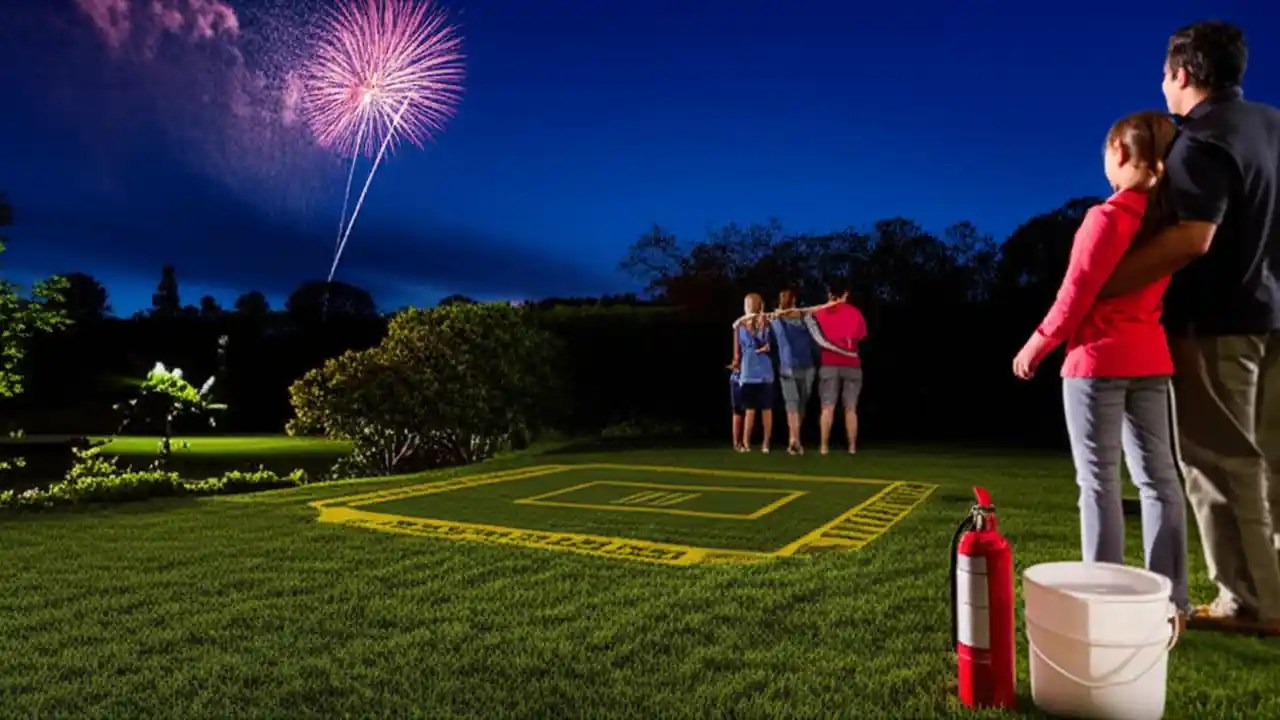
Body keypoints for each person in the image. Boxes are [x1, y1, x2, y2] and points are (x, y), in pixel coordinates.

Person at [1097, 21, 1280, 633]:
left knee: (1222, 464)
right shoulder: (1270, 124)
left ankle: (1252, 602)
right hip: (1273, 316)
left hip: (1219, 325)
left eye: (1165, 74)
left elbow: (1193, 238)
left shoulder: (1198, 140)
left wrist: (1104, 282)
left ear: (1181, 74)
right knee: (1270, 462)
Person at [1012, 111, 1190, 618]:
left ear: (1119, 154)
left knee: (1099, 482)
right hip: (1151, 360)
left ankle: (1107, 599)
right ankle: (1172, 599)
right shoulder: (1169, 224)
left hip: (1095, 364)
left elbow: (1074, 297)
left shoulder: (1106, 218)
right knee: (1159, 480)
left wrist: (1035, 345)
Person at [805, 279, 867, 455]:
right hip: (852, 365)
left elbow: (810, 321)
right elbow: (860, 338)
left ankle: (824, 446)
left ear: (829, 293)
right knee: (851, 408)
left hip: (829, 364)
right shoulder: (856, 313)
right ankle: (852, 447)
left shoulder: (821, 313)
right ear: (846, 294)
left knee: (827, 407)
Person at [770, 289, 818, 454]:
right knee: (793, 403)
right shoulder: (777, 320)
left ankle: (795, 438)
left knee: (799, 405)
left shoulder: (805, 319)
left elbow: (814, 337)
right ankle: (794, 440)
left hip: (806, 366)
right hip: (788, 366)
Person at [736, 293, 775, 453]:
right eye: (747, 303)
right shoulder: (740, 325)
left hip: (765, 372)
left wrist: (762, 324)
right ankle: (746, 443)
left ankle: (766, 443)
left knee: (766, 409)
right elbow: (746, 345)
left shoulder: (765, 324)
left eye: (752, 304)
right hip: (749, 372)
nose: (749, 307)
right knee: (750, 409)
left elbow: (767, 344)